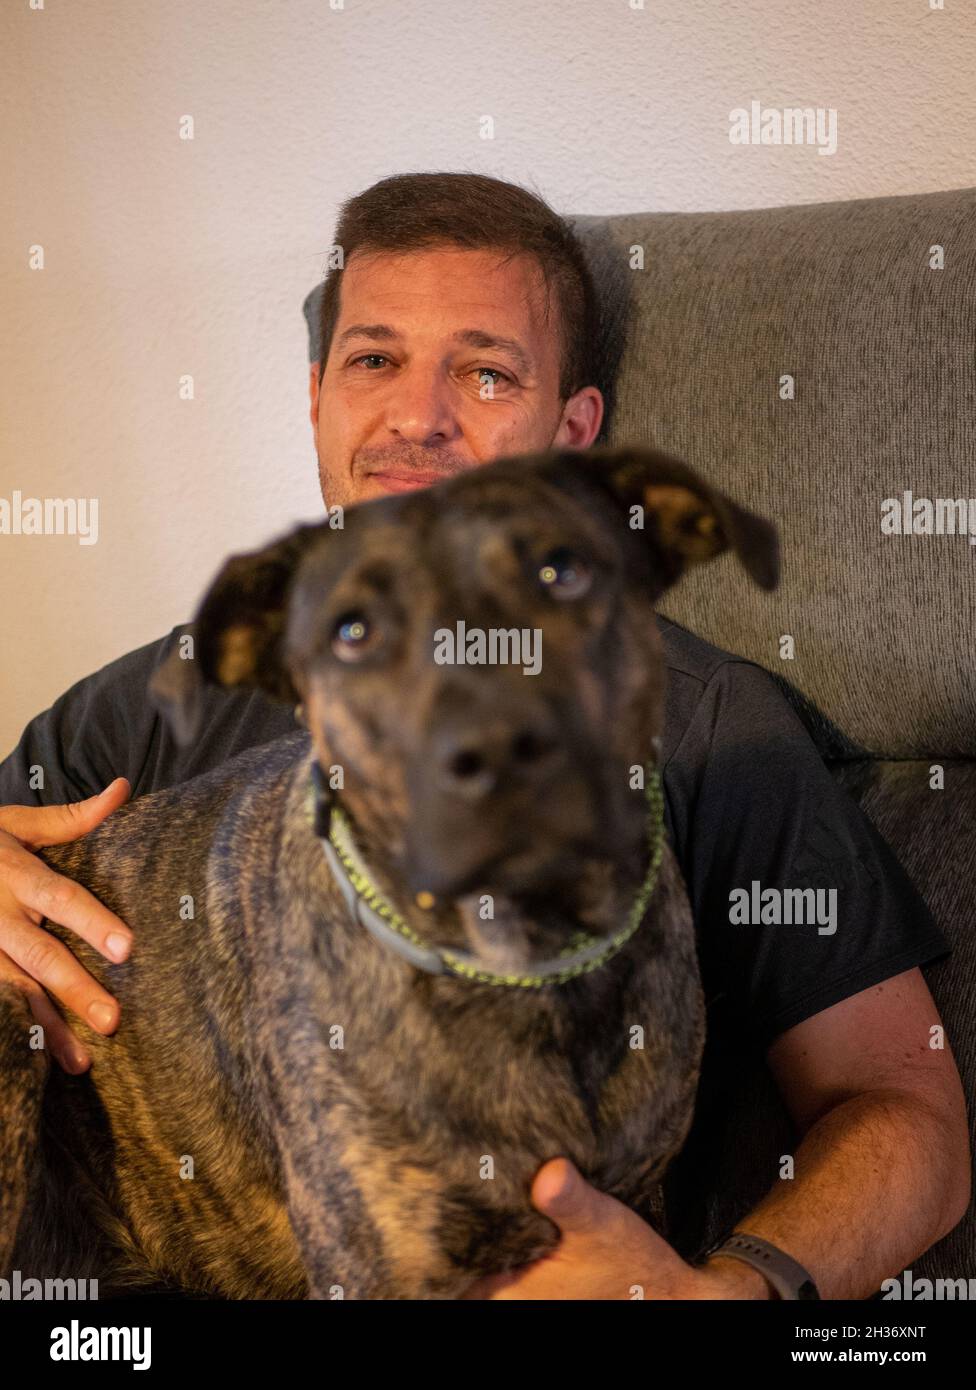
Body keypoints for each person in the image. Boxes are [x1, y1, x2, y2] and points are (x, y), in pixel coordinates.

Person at [0, 172, 968, 1301]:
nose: (417, 415)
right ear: (316, 398)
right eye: (374, 360)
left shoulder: (699, 723)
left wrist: (729, 1295)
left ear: (573, 436)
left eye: (484, 370)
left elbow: (909, 1109)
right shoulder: (161, 690)